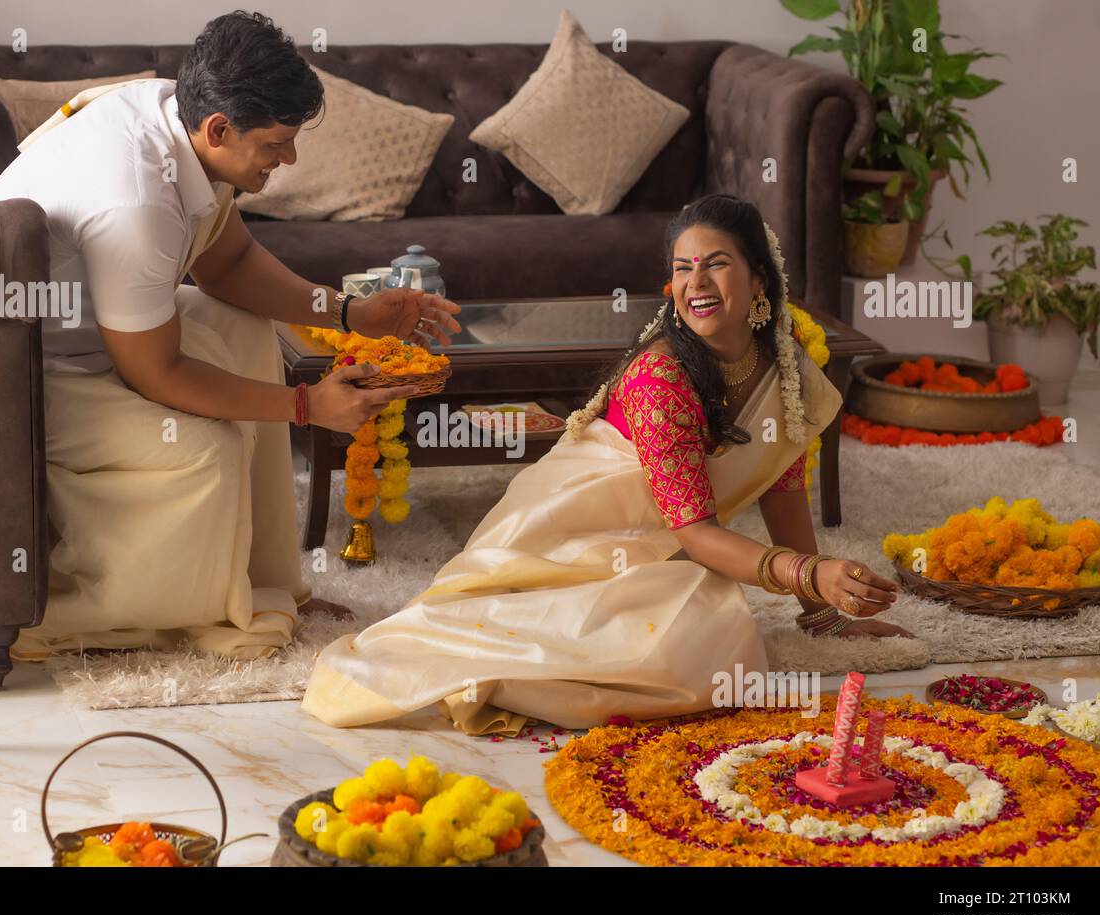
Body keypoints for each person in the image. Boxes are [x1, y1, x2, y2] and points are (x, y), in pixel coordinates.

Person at [303, 194, 914, 736]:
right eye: (682, 268)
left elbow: (780, 484)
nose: (695, 281)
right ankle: (495, 671)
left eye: (716, 263)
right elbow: (696, 533)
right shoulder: (663, 375)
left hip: (666, 542)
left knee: (711, 624)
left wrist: (821, 615)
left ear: (759, 281)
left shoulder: (785, 366)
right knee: (703, 642)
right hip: (574, 536)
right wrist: (811, 572)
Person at [0, 11, 460, 661]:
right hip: (22, 369)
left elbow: (227, 265)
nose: (288, 159)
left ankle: (263, 581)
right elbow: (159, 374)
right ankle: (160, 606)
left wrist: (351, 312)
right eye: (275, 145)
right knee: (201, 450)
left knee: (243, 325)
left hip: (98, 327)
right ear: (218, 129)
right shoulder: (138, 200)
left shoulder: (168, 110)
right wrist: (306, 407)